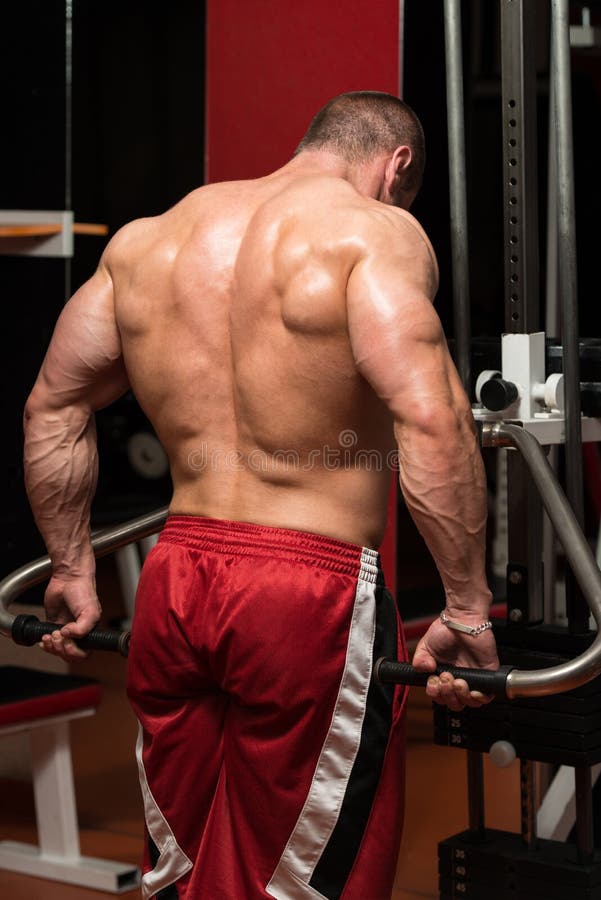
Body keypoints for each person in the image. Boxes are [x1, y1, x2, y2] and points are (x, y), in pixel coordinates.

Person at [23, 91, 499, 899]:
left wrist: (71, 566)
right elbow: (430, 418)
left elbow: (53, 407)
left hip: (174, 582)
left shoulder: (151, 240)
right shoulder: (372, 232)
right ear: (397, 166)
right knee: (299, 880)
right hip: (303, 592)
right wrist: (465, 608)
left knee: (184, 862)